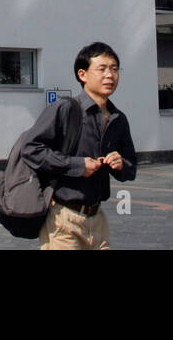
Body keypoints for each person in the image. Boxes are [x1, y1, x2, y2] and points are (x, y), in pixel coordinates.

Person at [21, 41, 137, 250]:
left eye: (114, 69)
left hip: (98, 220)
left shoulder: (119, 119)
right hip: (63, 218)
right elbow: (31, 149)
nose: (110, 75)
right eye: (101, 69)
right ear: (82, 75)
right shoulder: (65, 109)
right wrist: (77, 165)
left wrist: (121, 164)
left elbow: (131, 169)